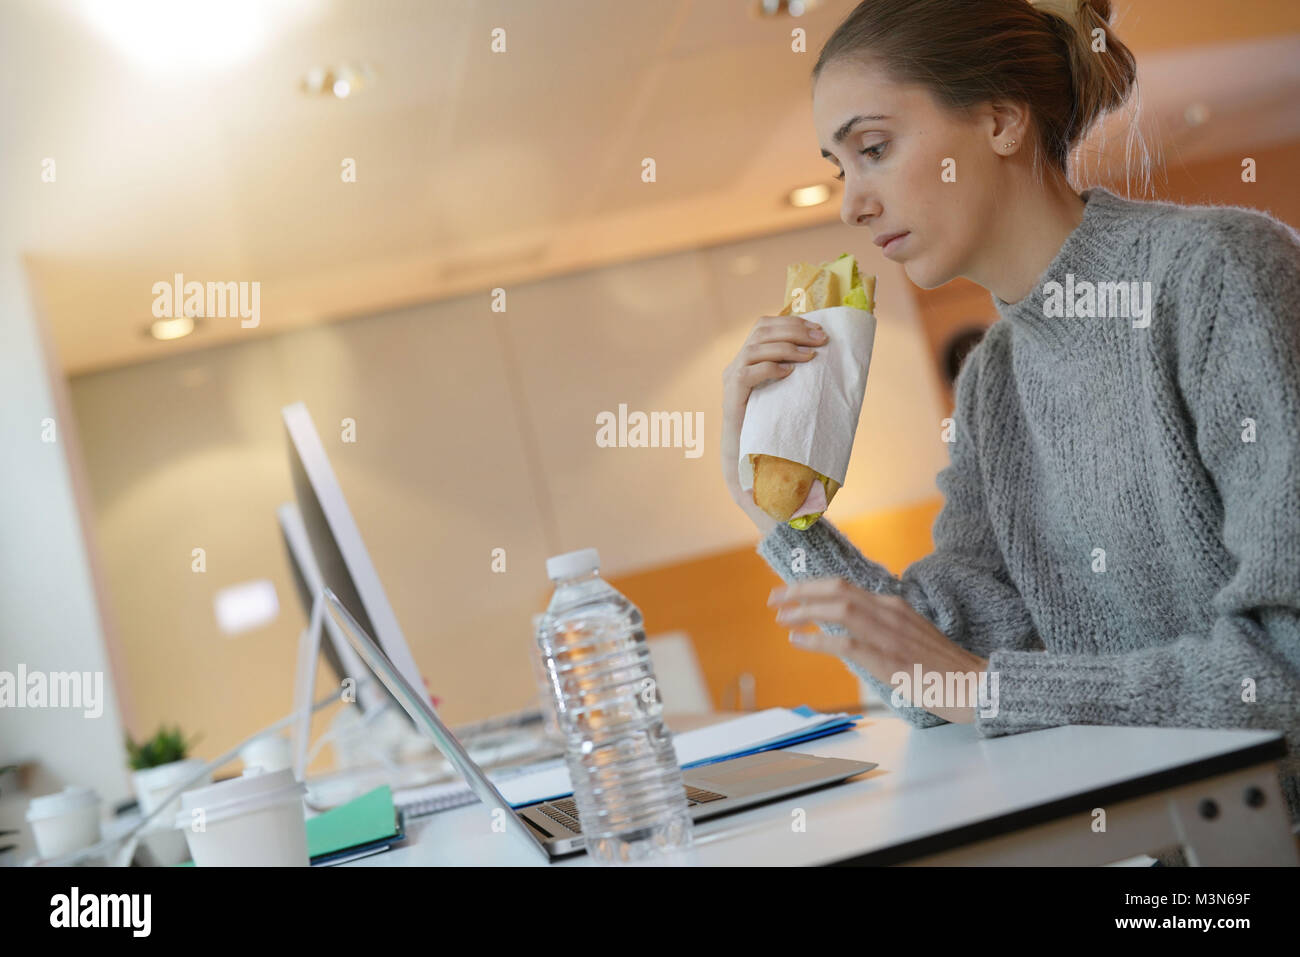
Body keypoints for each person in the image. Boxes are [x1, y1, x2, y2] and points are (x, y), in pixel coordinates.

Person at [720, 0, 1300, 867]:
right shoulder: (994, 381)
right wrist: (778, 505)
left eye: (872, 148)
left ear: (998, 119)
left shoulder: (1217, 274)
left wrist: (982, 684)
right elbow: (940, 670)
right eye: (838, 167)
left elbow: (1282, 671)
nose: (852, 203)